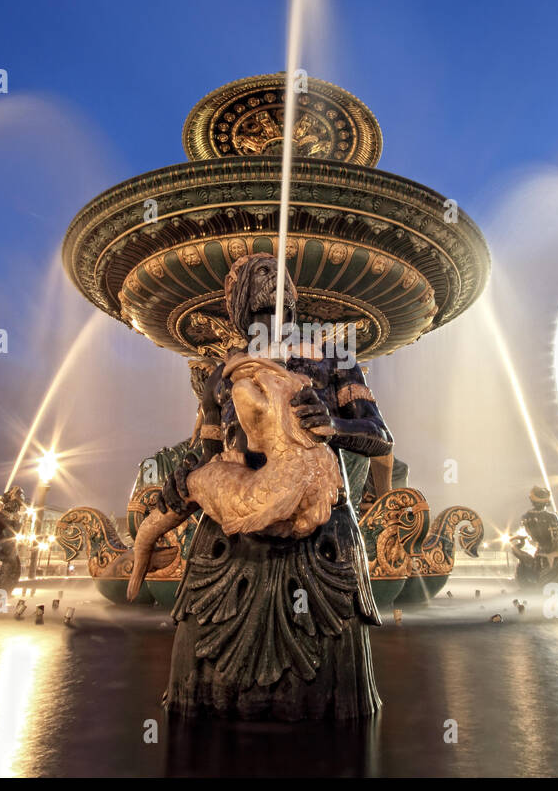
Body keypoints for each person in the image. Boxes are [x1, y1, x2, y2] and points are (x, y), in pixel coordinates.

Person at [156, 254, 390, 721]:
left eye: (276, 271)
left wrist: (334, 424)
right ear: (234, 298)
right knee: (203, 693)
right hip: (233, 533)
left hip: (318, 526)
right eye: (254, 271)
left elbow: (378, 434)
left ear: (293, 295)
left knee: (330, 700)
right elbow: (205, 457)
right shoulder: (219, 378)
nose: (268, 274)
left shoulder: (332, 354)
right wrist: (182, 483)